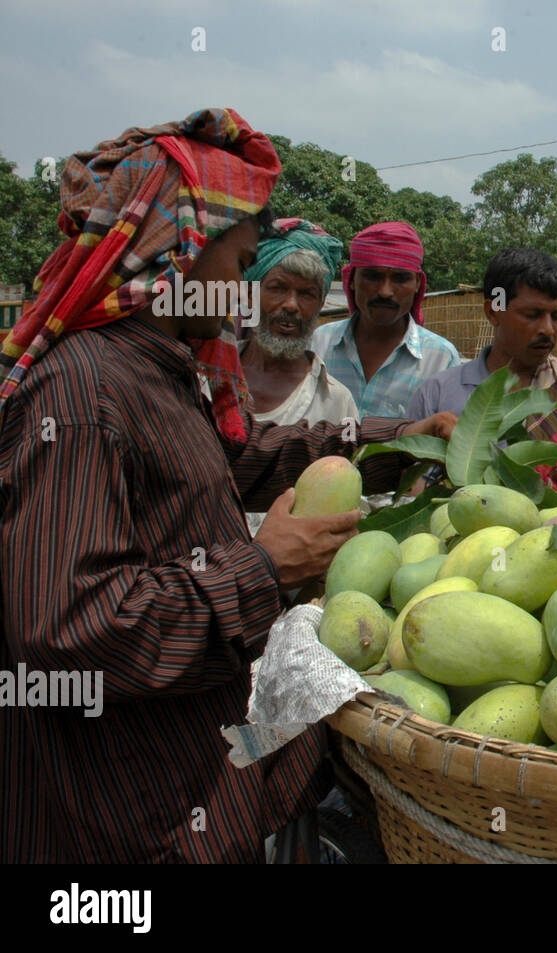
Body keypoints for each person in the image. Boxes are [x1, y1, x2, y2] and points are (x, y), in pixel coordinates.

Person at [0, 109, 455, 864]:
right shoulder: (82, 394)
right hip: (118, 817)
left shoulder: (153, 371)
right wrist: (263, 568)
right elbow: (73, 632)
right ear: (176, 256)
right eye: (241, 260)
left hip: (170, 772)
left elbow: (229, 462)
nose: (245, 287)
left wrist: (397, 441)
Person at [408, 248, 557, 490]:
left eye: (556, 316)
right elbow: (413, 486)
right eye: (532, 314)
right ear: (494, 311)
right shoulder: (437, 395)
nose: (547, 329)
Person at [311, 221, 460, 418]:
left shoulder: (441, 359)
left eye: (400, 278)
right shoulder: (318, 343)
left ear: (417, 284)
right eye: (372, 276)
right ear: (352, 280)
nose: (385, 292)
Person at [239, 218, 358, 426]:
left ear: (321, 303)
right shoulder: (205, 380)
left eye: (306, 294)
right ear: (250, 294)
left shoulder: (336, 402)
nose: (291, 305)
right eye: (278, 288)